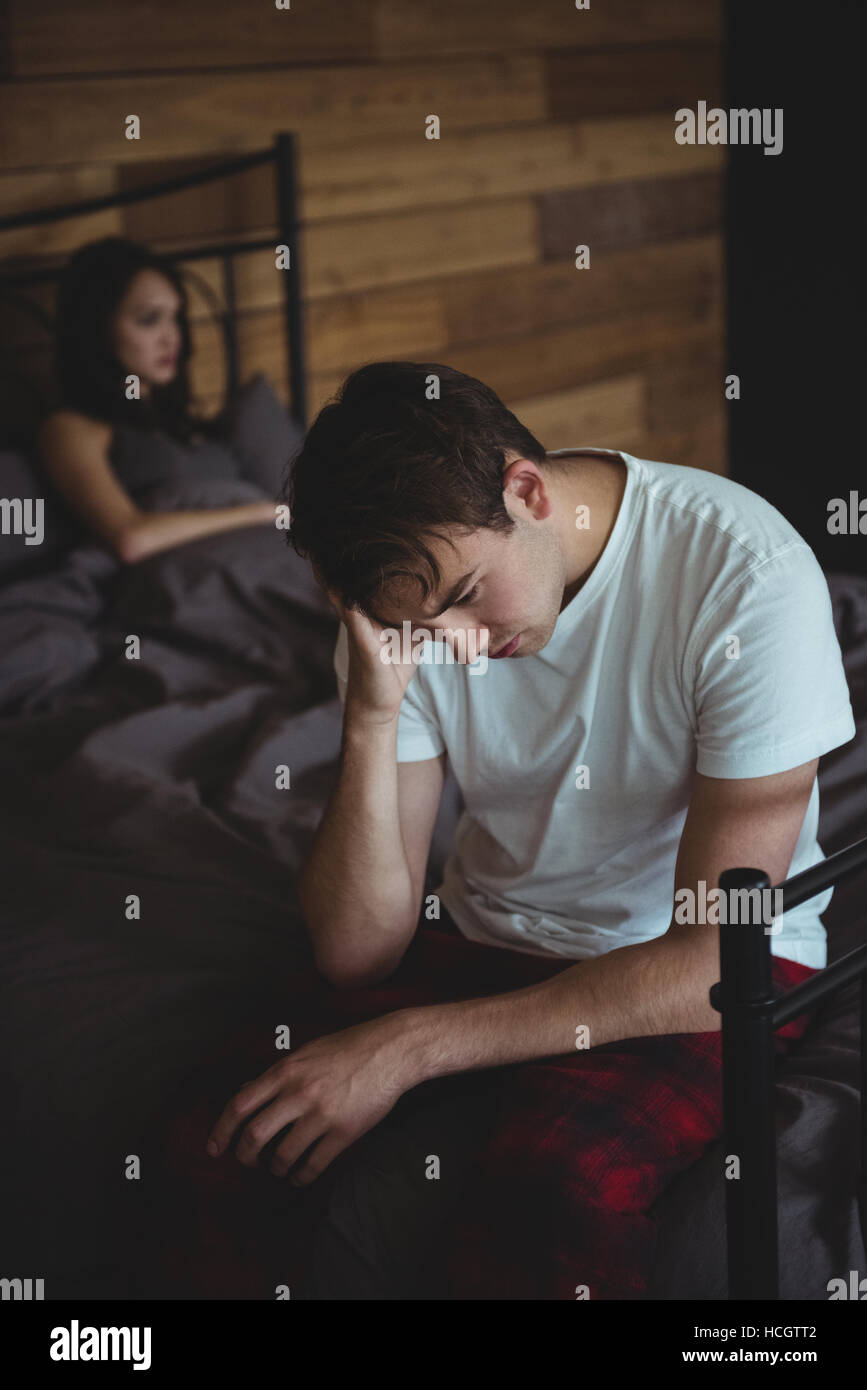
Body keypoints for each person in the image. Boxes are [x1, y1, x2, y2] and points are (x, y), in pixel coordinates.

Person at [204, 360, 856, 1299]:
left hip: (687, 975)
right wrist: (371, 714)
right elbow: (357, 952)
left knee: (548, 1193)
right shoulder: (412, 607)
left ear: (527, 489)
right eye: (426, 626)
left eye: (470, 594)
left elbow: (714, 961)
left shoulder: (740, 572)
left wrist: (409, 1047)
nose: (461, 645)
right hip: (492, 937)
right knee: (225, 1137)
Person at [38, 237, 274, 563]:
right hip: (191, 579)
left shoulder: (183, 425)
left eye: (175, 317)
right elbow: (130, 538)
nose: (171, 337)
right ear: (98, 327)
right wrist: (259, 514)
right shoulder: (71, 428)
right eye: (149, 319)